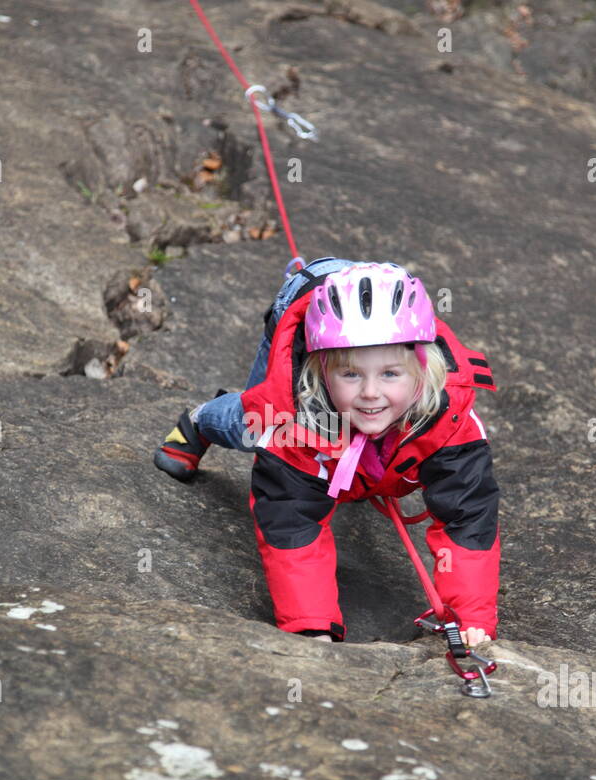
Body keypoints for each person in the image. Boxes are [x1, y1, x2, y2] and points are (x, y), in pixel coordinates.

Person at [154, 260, 500, 646]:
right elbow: (291, 518)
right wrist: (311, 623)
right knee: (252, 420)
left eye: (390, 374)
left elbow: (467, 517)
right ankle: (201, 420)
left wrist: (470, 616)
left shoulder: (451, 420)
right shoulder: (293, 419)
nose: (370, 392)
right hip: (302, 301)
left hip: (366, 303)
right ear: (320, 372)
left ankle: (360, 456)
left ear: (422, 371)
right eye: (351, 374)